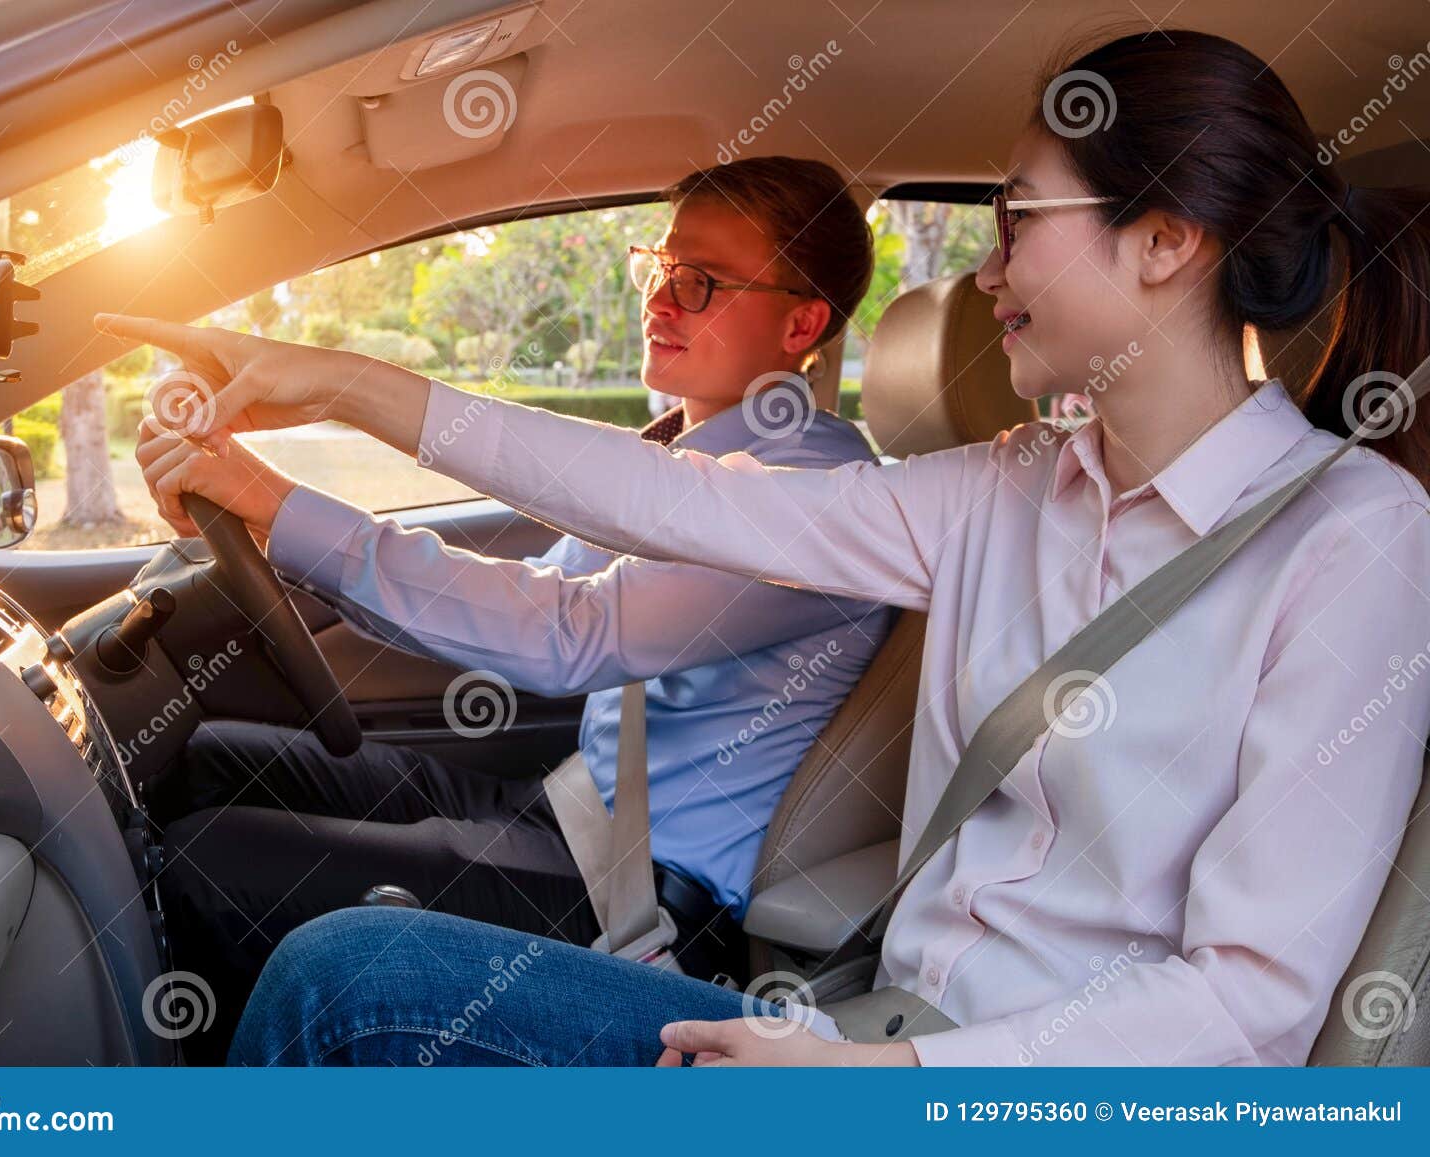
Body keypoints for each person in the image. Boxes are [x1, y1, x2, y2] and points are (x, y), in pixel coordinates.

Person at [98, 29, 1430, 1066]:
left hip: (989, 1089)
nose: (984, 272)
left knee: (352, 977)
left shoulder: (1357, 542)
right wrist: (340, 383)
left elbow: (1252, 1004)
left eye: (1021, 217)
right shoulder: (1006, 491)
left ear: (1168, 242)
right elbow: (671, 504)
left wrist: (876, 1082)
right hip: (862, 1024)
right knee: (349, 962)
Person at [131, 157, 891, 1061]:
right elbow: (511, 600)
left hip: (643, 895)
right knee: (204, 762)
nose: (661, 300)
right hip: (571, 810)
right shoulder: (686, 459)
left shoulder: (817, 498)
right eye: (659, 269)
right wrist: (271, 531)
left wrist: (275, 500)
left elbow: (568, 630)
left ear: (802, 321)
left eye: (700, 283)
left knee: (210, 864)